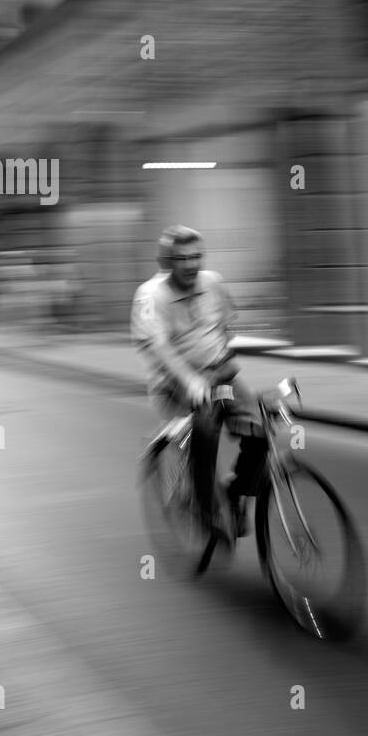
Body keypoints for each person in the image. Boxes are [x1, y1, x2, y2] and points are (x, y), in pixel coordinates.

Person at [131, 225, 267, 538]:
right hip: (175, 383)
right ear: (166, 261)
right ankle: (207, 512)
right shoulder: (150, 296)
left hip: (218, 374)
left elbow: (226, 326)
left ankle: (234, 490)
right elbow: (161, 348)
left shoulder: (213, 283)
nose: (192, 265)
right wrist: (191, 380)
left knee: (260, 430)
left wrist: (225, 358)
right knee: (206, 428)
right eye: (182, 259)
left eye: (197, 257)